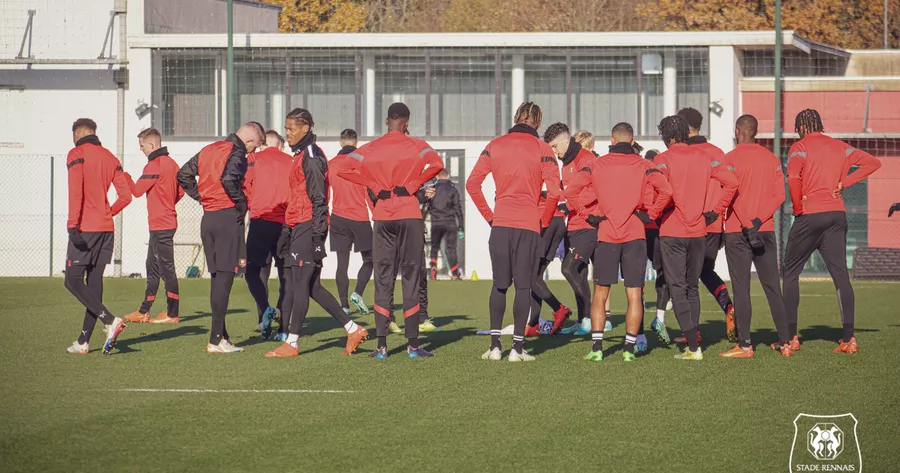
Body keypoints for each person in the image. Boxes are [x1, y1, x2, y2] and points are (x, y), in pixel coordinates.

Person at [337, 103, 444, 359]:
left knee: (383, 277)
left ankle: (382, 346)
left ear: (387, 121)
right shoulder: (417, 145)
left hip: (383, 216)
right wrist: (414, 185)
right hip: (410, 215)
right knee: (410, 276)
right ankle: (412, 346)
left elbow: (343, 169)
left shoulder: (370, 148)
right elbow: (437, 164)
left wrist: (373, 183)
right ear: (406, 122)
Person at [265, 109, 369, 358]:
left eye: (291, 128)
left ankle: (291, 343)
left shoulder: (311, 156)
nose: (287, 133)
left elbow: (318, 199)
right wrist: (288, 229)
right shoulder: (300, 154)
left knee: (301, 284)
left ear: (306, 128)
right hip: (299, 225)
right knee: (312, 286)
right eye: (286, 128)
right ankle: (353, 329)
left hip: (309, 225)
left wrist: (317, 236)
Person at [565, 122, 672, 362]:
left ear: (611, 141)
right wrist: (651, 214)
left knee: (600, 294)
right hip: (635, 234)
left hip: (605, 234)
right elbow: (666, 190)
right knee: (635, 294)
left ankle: (597, 348)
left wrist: (587, 216)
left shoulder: (595, 164)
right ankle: (628, 349)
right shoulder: (645, 165)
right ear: (632, 142)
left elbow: (571, 192)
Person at [466, 102, 561, 362]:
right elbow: (554, 192)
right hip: (529, 225)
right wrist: (544, 220)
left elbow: (472, 184)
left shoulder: (495, 145)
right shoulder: (543, 149)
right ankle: (517, 349)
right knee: (522, 286)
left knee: (499, 285)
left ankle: (495, 347)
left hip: (501, 224)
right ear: (538, 122)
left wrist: (490, 217)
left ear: (516, 117)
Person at [783, 109, 882, 354]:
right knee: (841, 276)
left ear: (801, 128)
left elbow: (793, 178)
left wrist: (797, 208)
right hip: (837, 216)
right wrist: (844, 183)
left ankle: (792, 336)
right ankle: (849, 338)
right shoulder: (840, 147)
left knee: (790, 273)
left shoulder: (799, 147)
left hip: (809, 215)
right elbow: (873, 162)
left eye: (797, 129)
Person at [654, 115, 737, 361]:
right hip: (699, 230)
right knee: (692, 287)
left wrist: (654, 213)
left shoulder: (663, 159)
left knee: (677, 287)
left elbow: (661, 192)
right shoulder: (705, 158)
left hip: (672, 230)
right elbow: (731, 183)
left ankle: (692, 346)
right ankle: (694, 339)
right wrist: (716, 211)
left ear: (668, 137)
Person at [178, 122, 264, 353]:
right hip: (227, 218)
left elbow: (183, 174)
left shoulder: (209, 148)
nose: (252, 152)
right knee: (224, 279)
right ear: (249, 141)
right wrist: (241, 203)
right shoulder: (237, 152)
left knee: (217, 278)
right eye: (254, 147)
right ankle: (216, 340)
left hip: (209, 219)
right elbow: (228, 180)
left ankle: (221, 335)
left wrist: (202, 197)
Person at [719, 115, 793, 358]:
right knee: (773, 286)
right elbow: (780, 196)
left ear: (737, 130)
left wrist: (747, 224)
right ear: (757, 132)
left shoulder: (729, 159)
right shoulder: (772, 159)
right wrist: (759, 221)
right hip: (766, 229)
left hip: (736, 231)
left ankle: (745, 345)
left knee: (741, 289)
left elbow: (732, 196)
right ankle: (785, 343)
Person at [64, 118, 131, 355]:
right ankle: (83, 341)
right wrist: (107, 213)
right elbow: (126, 196)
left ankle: (110, 320)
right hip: (106, 229)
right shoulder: (110, 158)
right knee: (94, 284)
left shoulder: (76, 153)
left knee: (72, 281)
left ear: (77, 134)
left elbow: (76, 191)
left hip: (86, 228)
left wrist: (73, 225)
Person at [678, 108, 737, 343]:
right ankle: (728, 305)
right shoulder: (717, 152)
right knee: (704, 271)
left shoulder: (683, 154)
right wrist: (719, 216)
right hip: (713, 226)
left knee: (687, 279)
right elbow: (728, 187)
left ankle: (693, 332)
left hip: (690, 225)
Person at [544, 123, 600, 336]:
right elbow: (565, 192)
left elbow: (595, 189)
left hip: (588, 225)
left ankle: (591, 318)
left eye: (555, 145)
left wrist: (571, 205)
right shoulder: (565, 163)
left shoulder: (587, 159)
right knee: (580, 272)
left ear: (566, 140)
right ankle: (582, 320)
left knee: (568, 268)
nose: (554, 151)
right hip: (573, 224)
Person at [123, 128, 183, 325]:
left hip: (160, 224)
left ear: (151, 145)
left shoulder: (153, 165)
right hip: (166, 222)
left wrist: (124, 177)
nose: (140, 149)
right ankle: (145, 310)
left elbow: (137, 191)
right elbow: (180, 192)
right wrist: (166, 203)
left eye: (141, 145)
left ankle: (172, 313)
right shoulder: (172, 164)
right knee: (154, 266)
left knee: (165, 268)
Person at [242, 130, 293, 340]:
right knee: (286, 275)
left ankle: (264, 312)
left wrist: (254, 204)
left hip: (261, 220)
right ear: (280, 145)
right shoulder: (290, 161)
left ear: (263, 145)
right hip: (285, 223)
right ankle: (282, 322)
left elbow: (245, 186)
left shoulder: (253, 159)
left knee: (254, 271)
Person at [328, 128, 375, 316]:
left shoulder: (331, 165)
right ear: (356, 143)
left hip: (338, 217)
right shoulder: (362, 164)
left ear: (341, 143)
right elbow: (368, 192)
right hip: (359, 218)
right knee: (371, 259)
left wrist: (326, 216)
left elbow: (325, 192)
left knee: (342, 262)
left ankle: (344, 305)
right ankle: (358, 292)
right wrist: (376, 214)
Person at [643, 149, 673, 345]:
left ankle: (655, 319)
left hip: (646, 228)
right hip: (651, 228)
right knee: (661, 270)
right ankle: (659, 315)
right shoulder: (653, 176)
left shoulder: (650, 176)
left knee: (658, 270)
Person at [426, 169, 465, 280]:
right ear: (448, 176)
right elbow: (458, 209)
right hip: (450, 223)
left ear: (437, 176)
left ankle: (433, 270)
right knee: (451, 249)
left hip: (436, 222)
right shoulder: (453, 190)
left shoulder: (432, 189)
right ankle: (455, 274)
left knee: (434, 247)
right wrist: (461, 226)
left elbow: (427, 206)